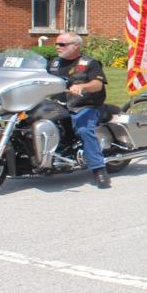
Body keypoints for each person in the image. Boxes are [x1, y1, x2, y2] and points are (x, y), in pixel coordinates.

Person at [47, 32, 110, 188]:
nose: (57, 47)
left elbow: (97, 85)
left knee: (84, 129)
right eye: (56, 44)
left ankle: (99, 169)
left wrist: (82, 86)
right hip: (58, 105)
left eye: (62, 44)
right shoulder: (54, 63)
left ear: (76, 46)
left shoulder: (90, 63)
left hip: (85, 106)